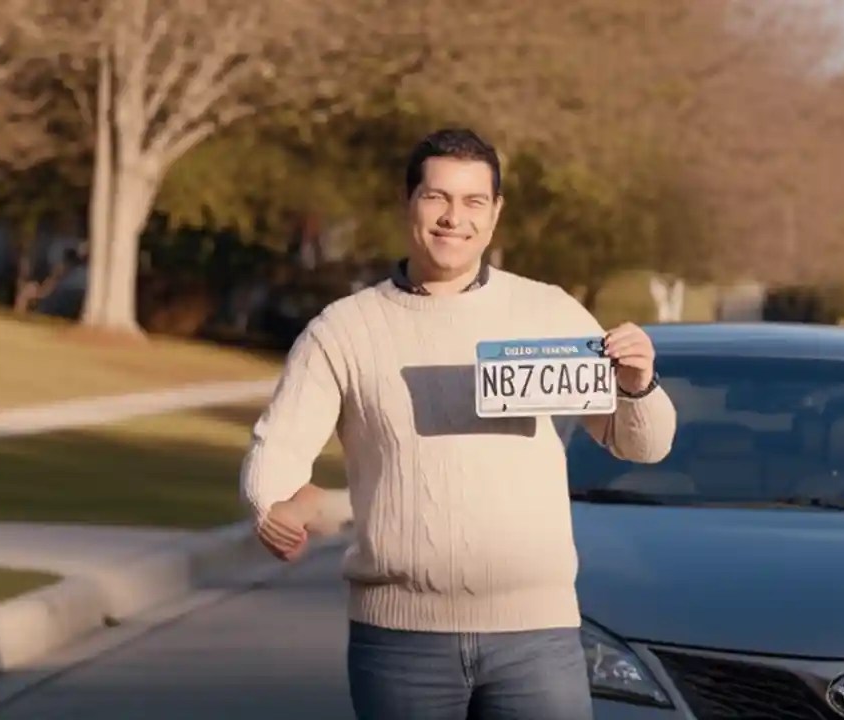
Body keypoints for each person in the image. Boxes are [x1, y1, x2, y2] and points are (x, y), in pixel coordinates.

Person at [239, 127, 677, 720]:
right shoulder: (342, 330)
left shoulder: (547, 312)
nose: (454, 218)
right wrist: (270, 505)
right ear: (409, 204)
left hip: (538, 640)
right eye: (436, 197)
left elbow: (641, 444)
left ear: (495, 214)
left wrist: (638, 385)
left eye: (473, 201)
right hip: (400, 645)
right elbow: (278, 446)